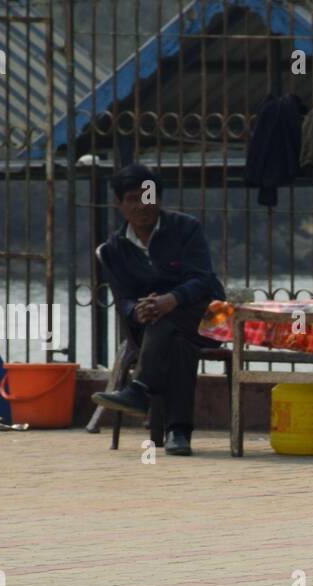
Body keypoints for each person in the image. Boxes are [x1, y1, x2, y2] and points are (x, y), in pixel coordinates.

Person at [92, 164, 226, 456]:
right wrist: (136, 312)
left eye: (148, 196)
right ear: (119, 204)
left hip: (209, 319)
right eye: (132, 198)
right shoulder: (115, 248)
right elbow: (124, 299)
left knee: (166, 318)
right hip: (158, 330)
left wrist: (172, 299)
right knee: (176, 342)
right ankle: (178, 432)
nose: (142, 205)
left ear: (160, 199)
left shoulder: (185, 229)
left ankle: (139, 389)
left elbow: (203, 279)